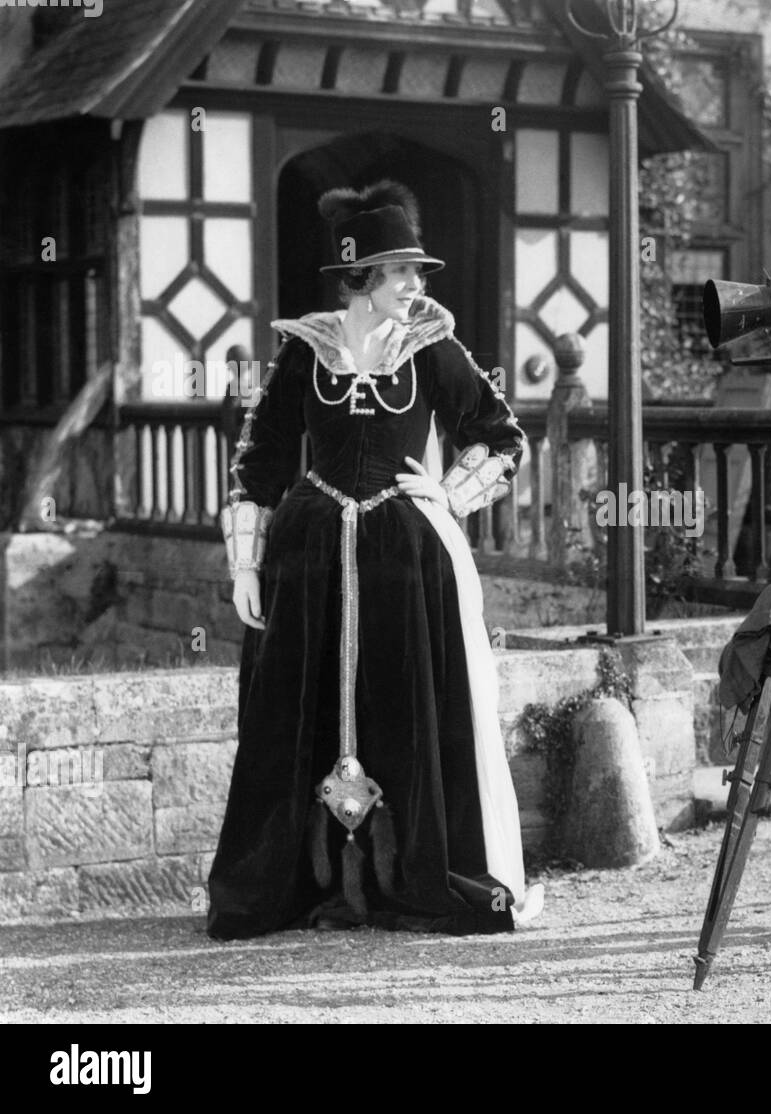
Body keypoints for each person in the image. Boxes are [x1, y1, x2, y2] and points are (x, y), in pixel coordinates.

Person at [208, 180, 542, 939]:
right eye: (400, 273)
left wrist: (450, 495)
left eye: (418, 274)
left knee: (412, 710)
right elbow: (256, 465)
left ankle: (408, 878)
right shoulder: (305, 352)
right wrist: (245, 565)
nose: (414, 286)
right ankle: (301, 879)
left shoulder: (432, 348)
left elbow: (503, 436)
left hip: (407, 562)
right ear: (359, 276)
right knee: (300, 713)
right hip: (308, 561)